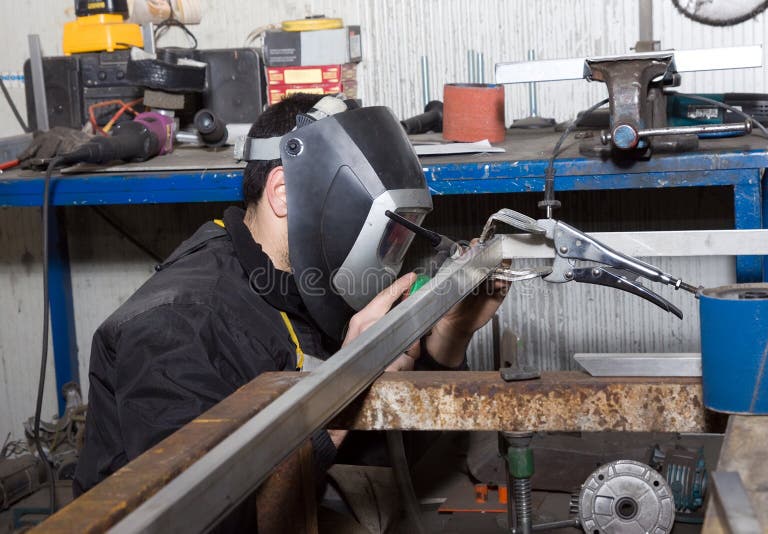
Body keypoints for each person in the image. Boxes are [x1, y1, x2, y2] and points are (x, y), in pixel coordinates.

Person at [73, 93, 508, 529]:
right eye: (385, 232)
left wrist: (452, 333)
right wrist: (348, 380)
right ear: (283, 192)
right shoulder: (177, 326)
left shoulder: (307, 283)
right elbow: (213, 518)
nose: (389, 254)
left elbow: (378, 456)